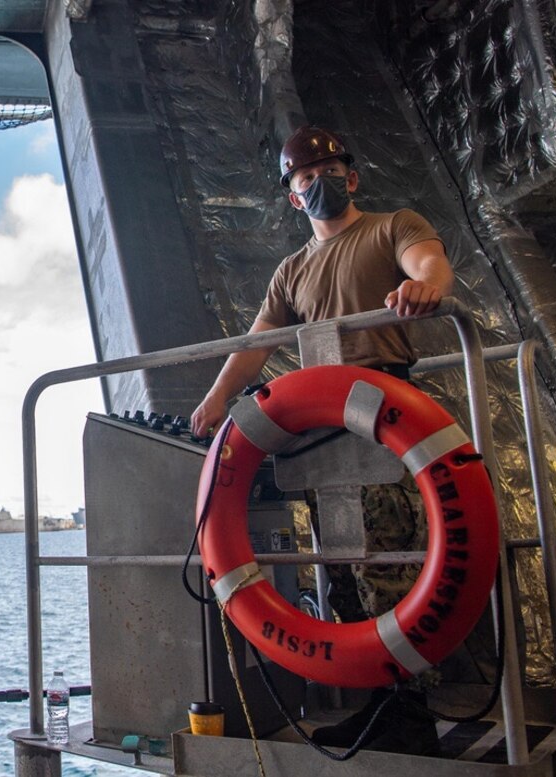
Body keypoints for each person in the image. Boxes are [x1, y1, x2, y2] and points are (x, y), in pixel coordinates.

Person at [190, 126, 454, 756]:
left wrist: (424, 287)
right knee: (341, 570)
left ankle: (411, 712)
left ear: (351, 177)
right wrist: (217, 397)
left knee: (389, 562)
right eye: (305, 178)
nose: (319, 183)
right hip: (325, 431)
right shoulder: (292, 271)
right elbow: (258, 341)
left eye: (330, 171)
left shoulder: (392, 227)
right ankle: (377, 707)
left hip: (385, 415)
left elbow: (429, 262)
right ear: (293, 196)